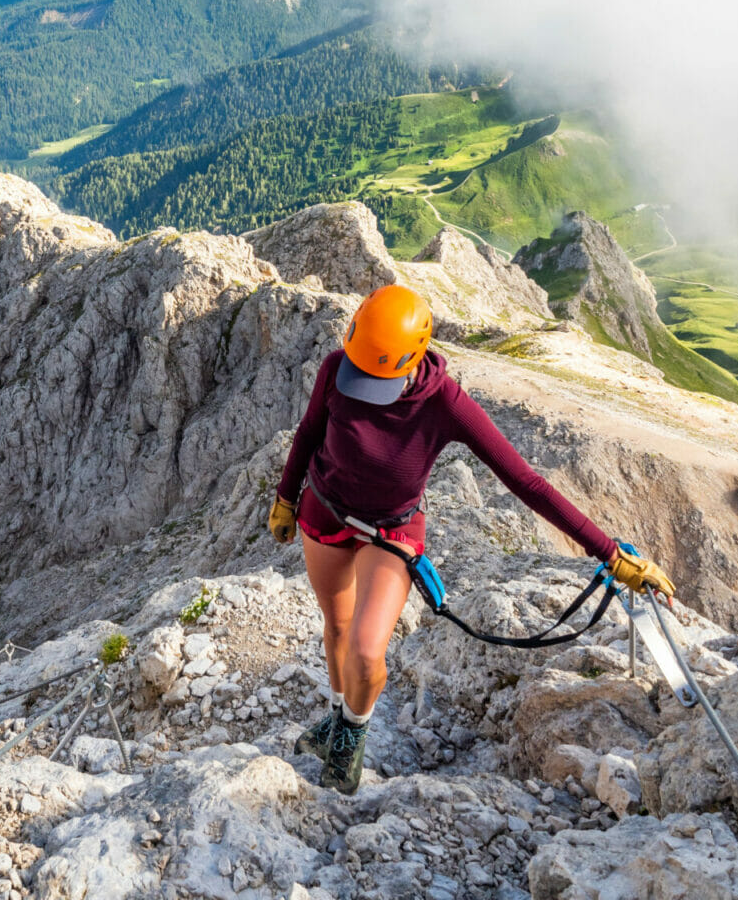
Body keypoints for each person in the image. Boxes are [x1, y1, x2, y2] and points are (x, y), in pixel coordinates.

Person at [267, 283, 675, 795]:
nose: (365, 383)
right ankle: (336, 715)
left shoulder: (446, 405)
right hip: (324, 511)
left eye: (380, 378)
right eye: (361, 372)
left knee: (368, 652)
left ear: (414, 360)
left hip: (388, 531)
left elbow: (527, 483)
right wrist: (286, 498)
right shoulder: (337, 367)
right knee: (338, 627)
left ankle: (351, 732)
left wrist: (610, 553)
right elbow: (309, 432)